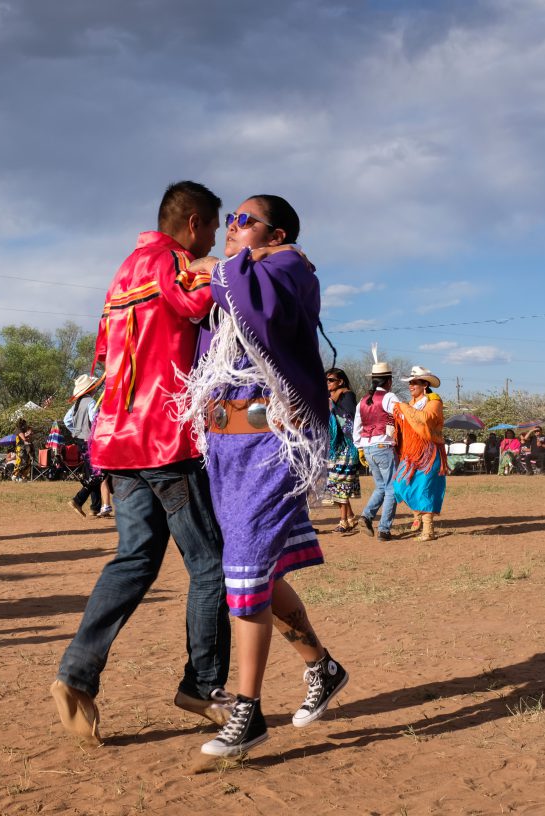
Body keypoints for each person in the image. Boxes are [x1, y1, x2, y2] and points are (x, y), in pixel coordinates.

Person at [51, 181, 232, 745]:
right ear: (196, 222)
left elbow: (103, 357)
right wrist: (241, 265)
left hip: (118, 440)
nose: (212, 243)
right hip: (164, 439)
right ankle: (203, 686)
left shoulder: (123, 271)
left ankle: (77, 675)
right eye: (213, 231)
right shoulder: (172, 262)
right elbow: (204, 300)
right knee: (209, 564)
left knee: (134, 559)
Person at [182, 194, 348, 758]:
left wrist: (218, 269)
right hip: (226, 451)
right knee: (254, 574)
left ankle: (248, 713)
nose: (231, 229)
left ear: (276, 236)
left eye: (243, 222)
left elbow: (265, 311)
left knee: (245, 571)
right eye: (228, 220)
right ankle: (322, 667)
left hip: (273, 442)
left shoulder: (287, 266)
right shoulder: (232, 278)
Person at [392, 366, 447, 541]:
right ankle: (417, 513)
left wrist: (403, 409)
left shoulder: (434, 402)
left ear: (425, 384)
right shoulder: (409, 405)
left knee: (425, 489)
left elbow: (425, 419)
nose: (411, 386)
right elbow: (404, 425)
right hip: (410, 454)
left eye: (414, 382)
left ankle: (428, 530)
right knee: (400, 485)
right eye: (410, 383)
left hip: (429, 453)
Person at [352, 352, 401, 542]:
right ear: (388, 381)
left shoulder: (363, 401)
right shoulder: (389, 397)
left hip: (369, 448)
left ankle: (366, 516)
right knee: (392, 489)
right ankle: (384, 529)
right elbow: (401, 416)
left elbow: (357, 427)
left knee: (381, 487)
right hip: (384, 446)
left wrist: (360, 447)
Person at [324, 367, 360, 533]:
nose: (327, 383)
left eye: (331, 380)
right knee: (334, 483)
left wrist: (333, 403)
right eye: (326, 380)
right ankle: (351, 517)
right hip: (335, 447)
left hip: (347, 446)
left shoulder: (347, 396)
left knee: (341, 482)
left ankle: (344, 521)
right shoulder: (333, 399)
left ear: (341, 381)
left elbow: (349, 422)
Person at [64, 374, 104, 518]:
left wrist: (76, 431)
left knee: (91, 473)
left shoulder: (77, 404)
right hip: (89, 442)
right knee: (98, 474)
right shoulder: (91, 402)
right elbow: (94, 420)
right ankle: (78, 499)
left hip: (79, 441)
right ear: (91, 389)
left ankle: (95, 507)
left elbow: (66, 420)